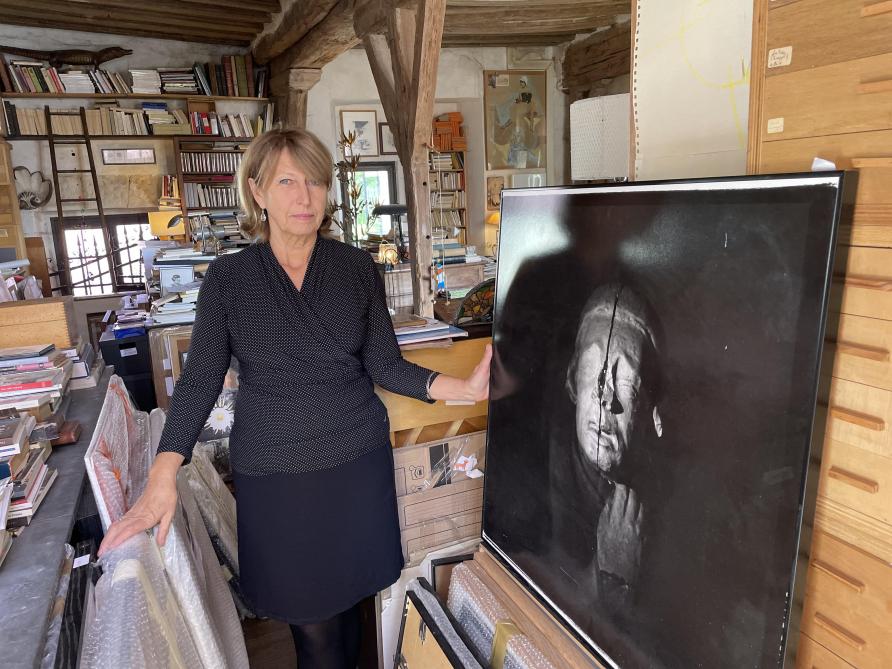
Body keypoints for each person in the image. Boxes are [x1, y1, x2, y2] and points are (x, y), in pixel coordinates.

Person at [98, 128, 492, 668]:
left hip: (356, 466)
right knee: (315, 637)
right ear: (257, 191)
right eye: (287, 181)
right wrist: (163, 475)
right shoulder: (229, 280)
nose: (304, 196)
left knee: (355, 617)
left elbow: (385, 366)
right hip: (278, 478)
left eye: (314, 182)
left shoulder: (356, 269)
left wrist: (464, 390)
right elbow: (200, 381)